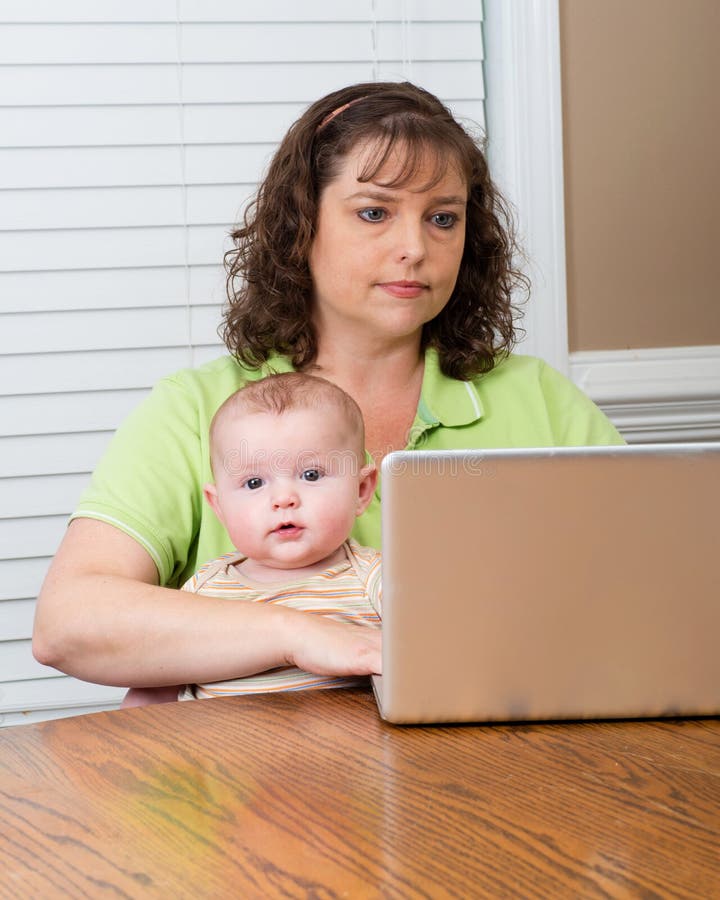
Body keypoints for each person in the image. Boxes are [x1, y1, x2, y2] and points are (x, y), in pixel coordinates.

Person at [33, 81, 623, 698]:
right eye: (374, 212)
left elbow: (658, 588)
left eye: (442, 218)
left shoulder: (541, 399)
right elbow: (67, 623)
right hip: (257, 786)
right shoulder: (195, 408)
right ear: (301, 225)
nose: (414, 248)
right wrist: (297, 634)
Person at [122, 372, 381, 707]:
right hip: (225, 755)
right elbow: (154, 685)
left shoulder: (376, 578)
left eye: (311, 475)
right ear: (219, 506)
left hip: (347, 754)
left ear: (361, 491)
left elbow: (433, 653)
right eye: (255, 483)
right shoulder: (203, 591)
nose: (284, 498)